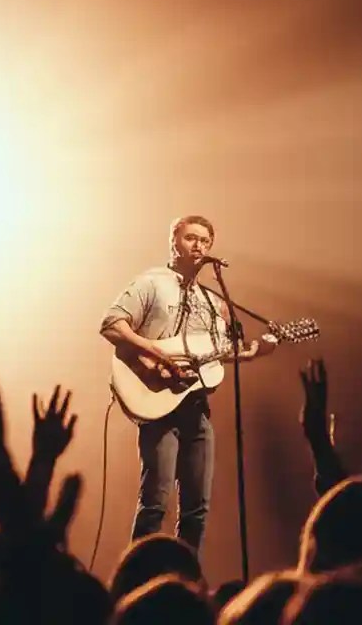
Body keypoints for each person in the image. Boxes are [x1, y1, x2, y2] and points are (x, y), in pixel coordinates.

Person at [100, 215, 277, 552]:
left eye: (205, 241)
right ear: (174, 242)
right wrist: (155, 354)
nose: (199, 246)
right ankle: (140, 574)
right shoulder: (152, 283)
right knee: (155, 502)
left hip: (196, 408)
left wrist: (255, 351)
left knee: (197, 509)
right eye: (191, 238)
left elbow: (215, 353)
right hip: (157, 401)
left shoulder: (212, 301)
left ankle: (186, 574)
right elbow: (111, 324)